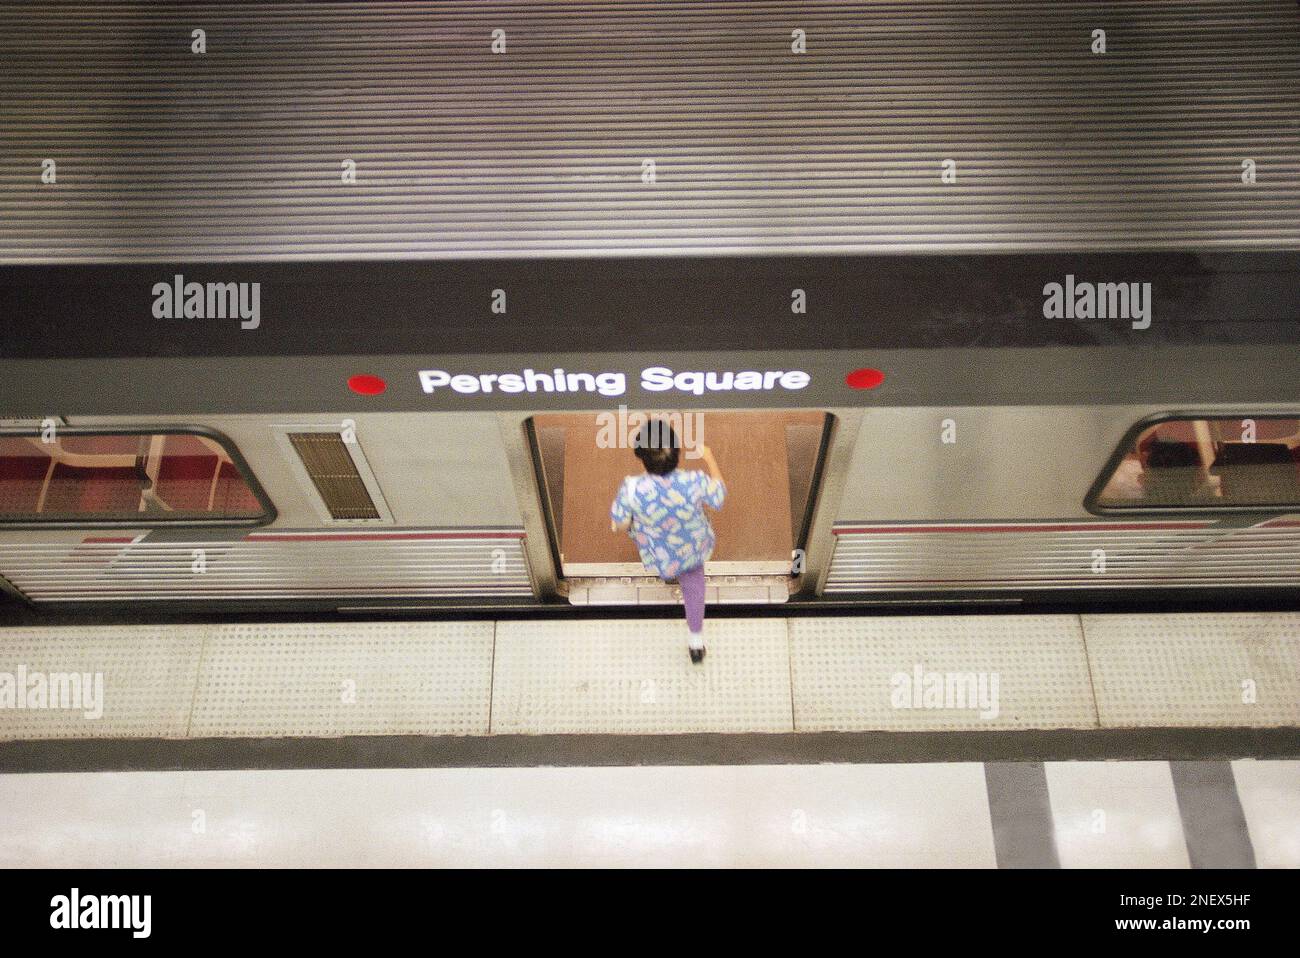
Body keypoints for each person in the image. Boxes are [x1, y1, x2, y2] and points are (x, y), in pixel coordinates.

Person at [610, 420, 726, 663]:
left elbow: (619, 525)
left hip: (659, 552)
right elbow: (718, 498)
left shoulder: (631, 489)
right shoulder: (695, 480)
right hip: (693, 548)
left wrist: (625, 522)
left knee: (668, 569)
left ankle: (669, 574)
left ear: (641, 457)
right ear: (677, 453)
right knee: (694, 590)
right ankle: (695, 642)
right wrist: (710, 458)